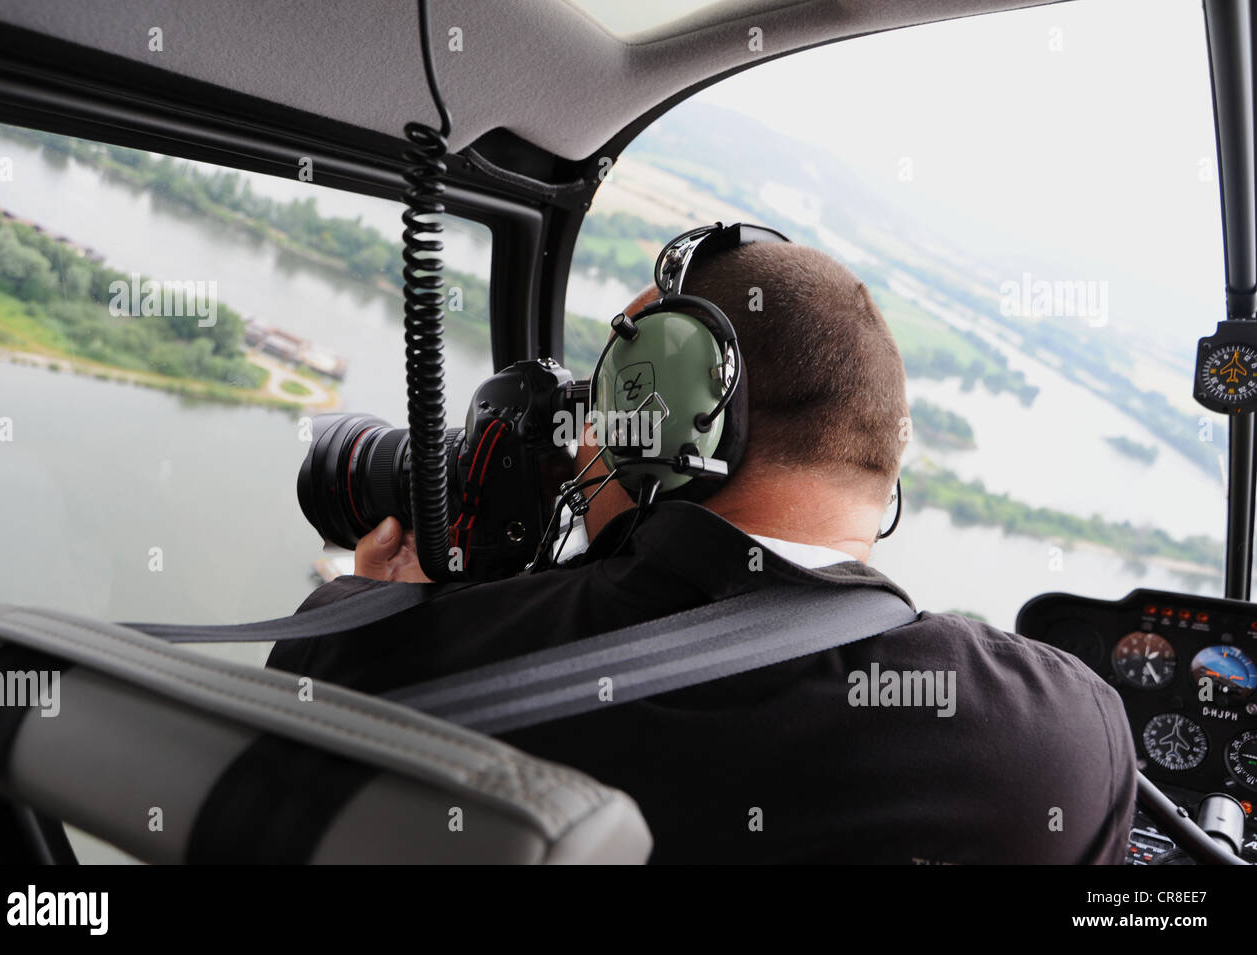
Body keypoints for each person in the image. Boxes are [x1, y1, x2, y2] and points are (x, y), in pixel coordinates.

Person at [268, 240, 1137, 864]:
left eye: (609, 395)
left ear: (673, 421)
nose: (581, 444)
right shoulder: (1067, 742)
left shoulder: (365, 664)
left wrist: (383, 609)